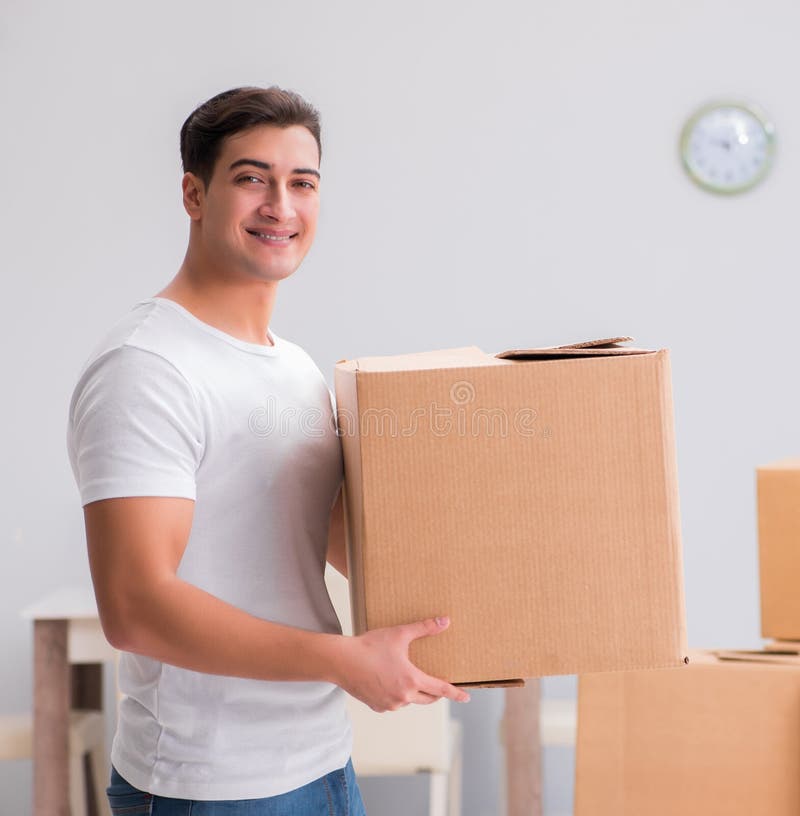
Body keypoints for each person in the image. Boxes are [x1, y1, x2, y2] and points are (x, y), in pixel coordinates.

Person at [66, 85, 470, 815]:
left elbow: (340, 536)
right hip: (209, 783)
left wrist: (499, 617)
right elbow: (135, 607)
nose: (280, 206)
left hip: (320, 758)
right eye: (252, 178)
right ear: (194, 194)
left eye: (301, 183)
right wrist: (343, 661)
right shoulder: (146, 368)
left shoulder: (294, 367)